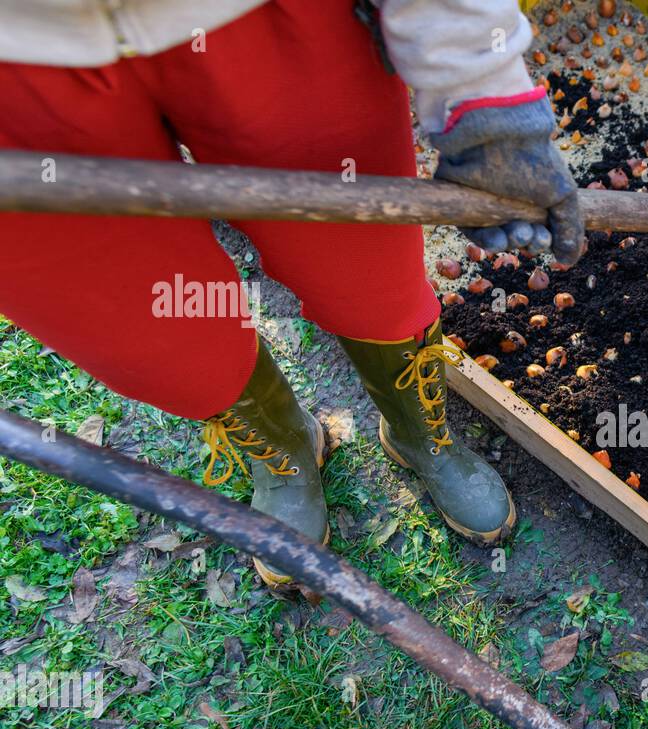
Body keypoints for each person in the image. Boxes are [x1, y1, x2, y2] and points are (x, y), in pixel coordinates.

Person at [0, 0, 582, 585]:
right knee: (159, 341)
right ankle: (286, 453)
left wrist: (482, 90)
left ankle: (417, 436)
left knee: (370, 279)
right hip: (17, 86)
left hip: (261, 21)